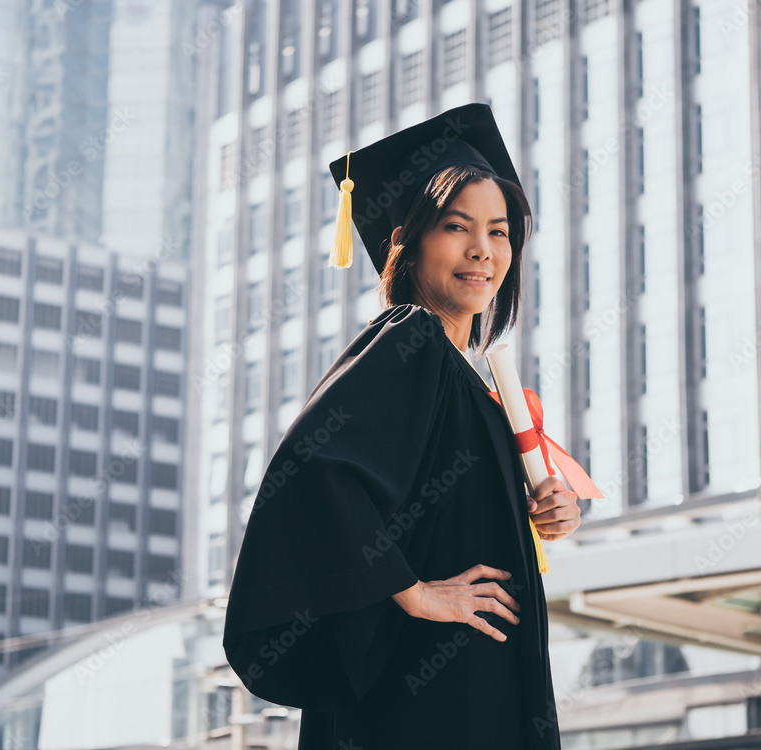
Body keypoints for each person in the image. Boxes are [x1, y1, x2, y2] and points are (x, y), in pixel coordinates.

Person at [222, 103, 582, 749]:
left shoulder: (463, 375)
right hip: (431, 686)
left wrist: (539, 509)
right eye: (456, 226)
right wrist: (411, 592)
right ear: (405, 242)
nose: (483, 250)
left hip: (473, 670)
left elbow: (426, 506)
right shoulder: (408, 338)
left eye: (500, 232)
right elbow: (316, 468)